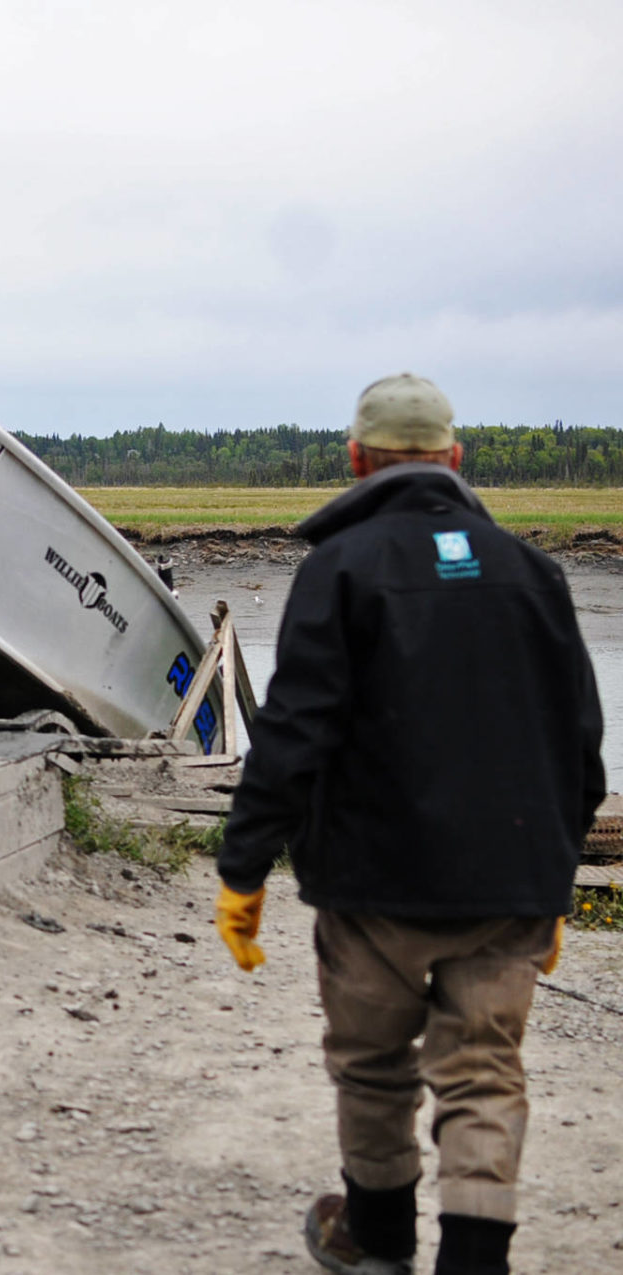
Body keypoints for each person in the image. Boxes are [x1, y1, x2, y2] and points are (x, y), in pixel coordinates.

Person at [212, 373, 604, 1275]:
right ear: (456, 459)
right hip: (510, 881)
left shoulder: (338, 568)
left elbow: (293, 731)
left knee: (374, 1065)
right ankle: (474, 1259)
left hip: (371, 882)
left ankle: (378, 1242)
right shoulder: (533, 571)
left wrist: (244, 869)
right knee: (483, 1073)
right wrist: (558, 882)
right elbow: (581, 737)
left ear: (355, 461)